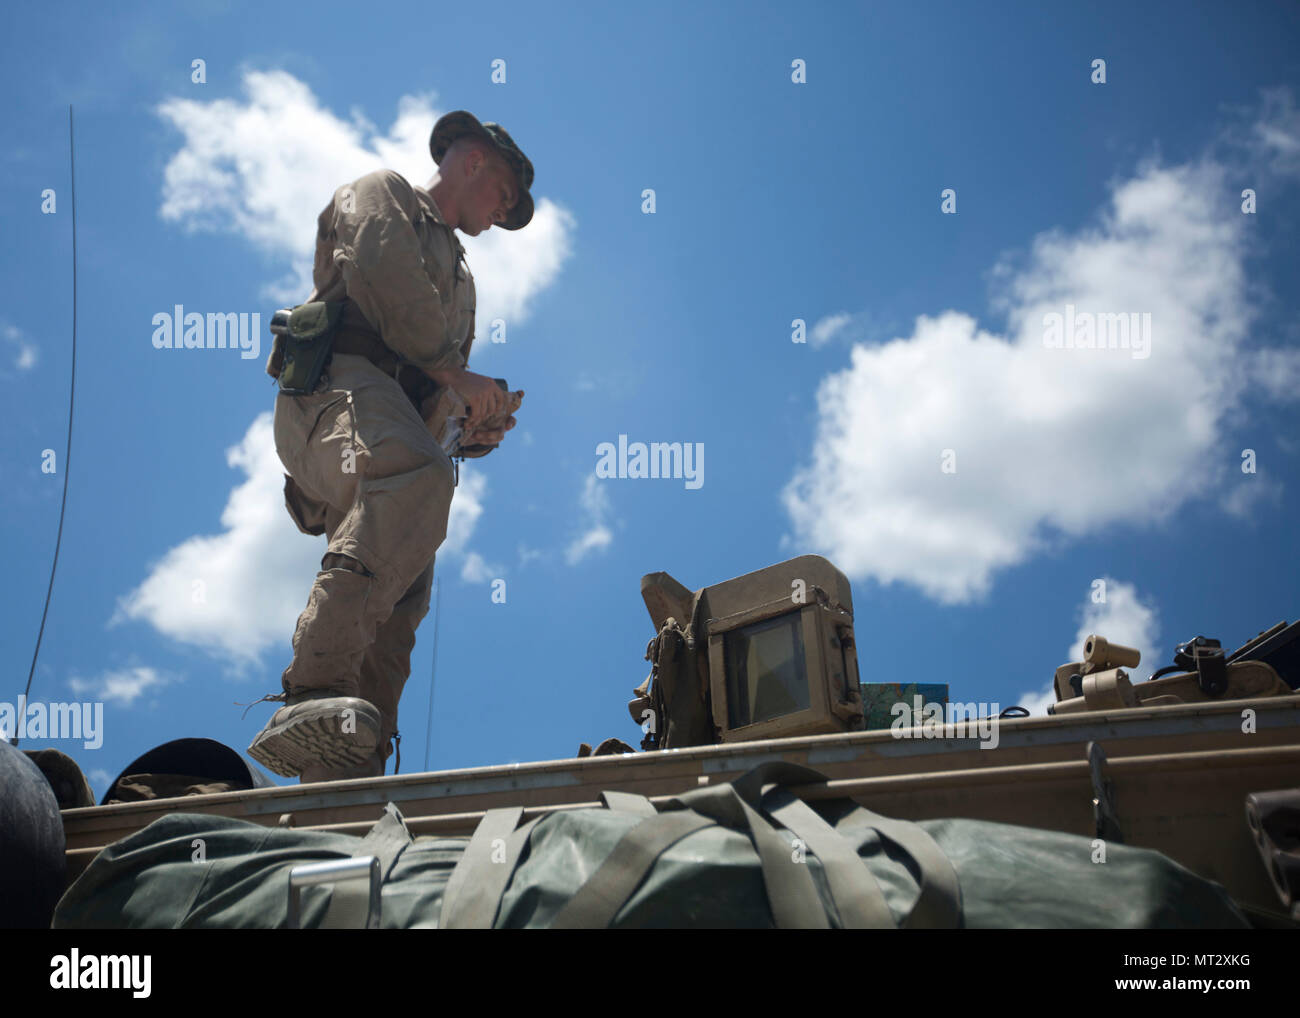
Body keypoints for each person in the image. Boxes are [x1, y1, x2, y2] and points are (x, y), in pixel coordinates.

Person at [247, 111, 534, 783]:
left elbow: (433, 397)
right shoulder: (383, 195)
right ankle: (316, 684)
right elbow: (383, 271)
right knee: (414, 474)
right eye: (504, 198)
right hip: (333, 392)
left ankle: (345, 764)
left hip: (386, 423)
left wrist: (468, 430)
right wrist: (451, 373)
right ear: (474, 164)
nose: (501, 215)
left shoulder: (463, 284)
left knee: (407, 587)